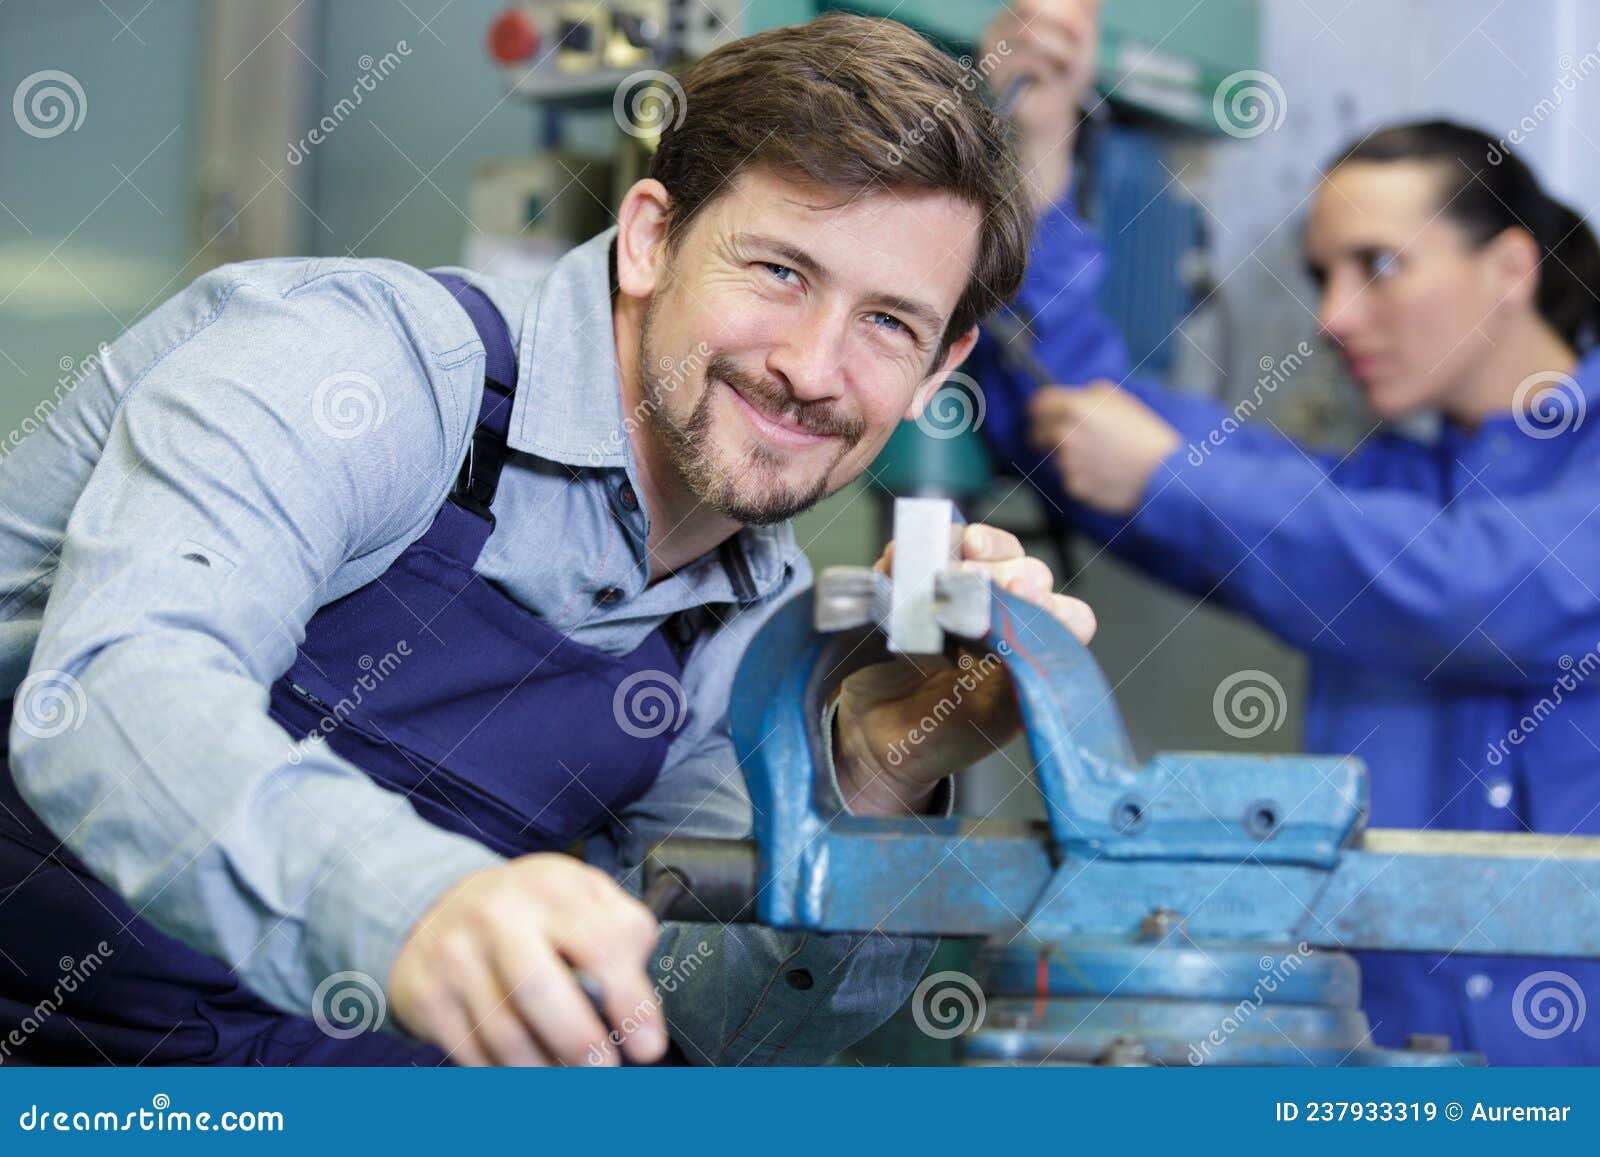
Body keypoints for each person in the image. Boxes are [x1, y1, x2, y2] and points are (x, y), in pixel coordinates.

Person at [0, 13, 1095, 1067]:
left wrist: (874, 762)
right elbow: (111, 692)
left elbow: (711, 1022)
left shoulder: (752, 621)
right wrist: (415, 901)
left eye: (887, 322)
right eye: (779, 271)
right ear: (651, 239)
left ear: (939, 371)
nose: (811, 367)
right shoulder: (362, 370)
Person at [973, 0, 1600, 1065]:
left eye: (1379, 265)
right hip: (1387, 1064)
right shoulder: (1377, 496)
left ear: (1508, 268)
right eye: (1322, 278)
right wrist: (1037, 158)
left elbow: (1477, 588)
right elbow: (1091, 427)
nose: (1336, 317)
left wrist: (1173, 477)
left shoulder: (1400, 527)